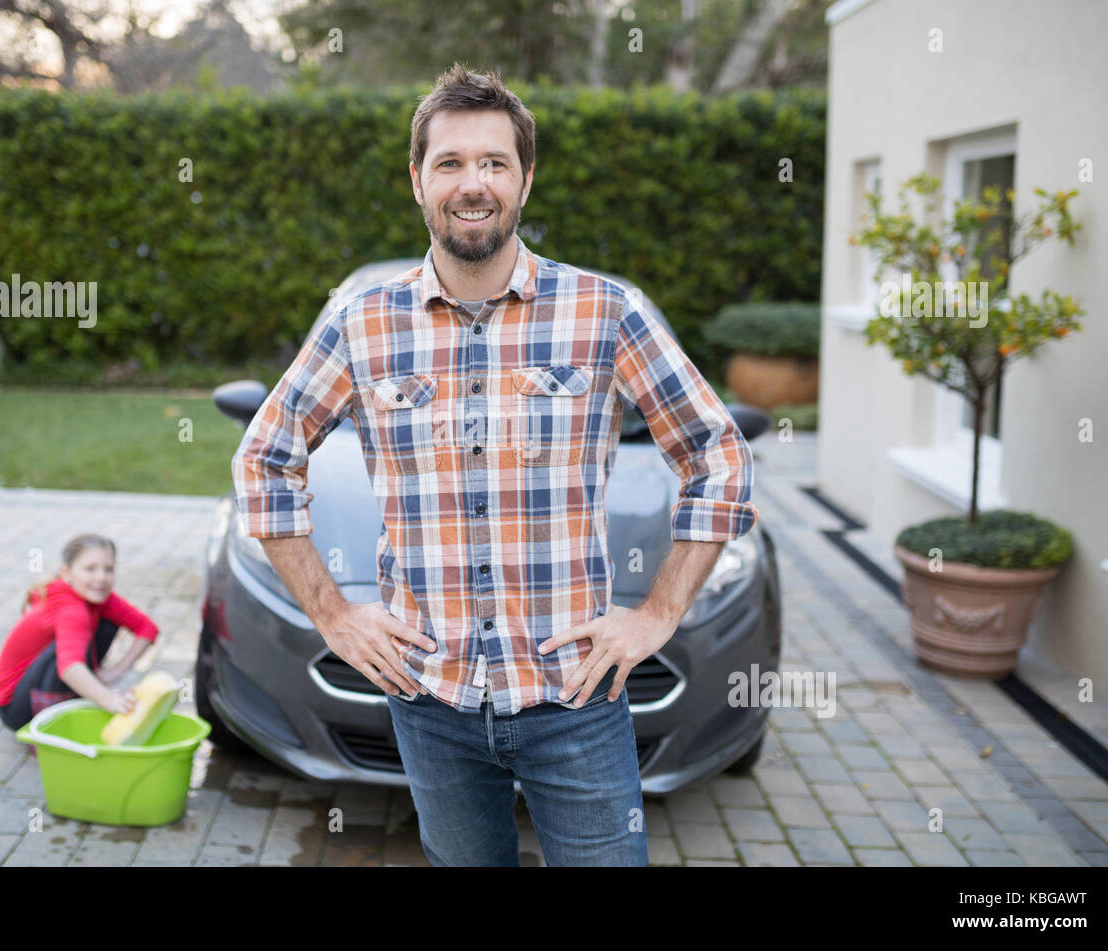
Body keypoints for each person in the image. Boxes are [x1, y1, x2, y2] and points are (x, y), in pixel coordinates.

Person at [230, 63, 760, 866]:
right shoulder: (361, 324)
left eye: (493, 163)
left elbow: (718, 454)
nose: (471, 183)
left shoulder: (605, 312)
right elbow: (264, 459)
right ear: (417, 181)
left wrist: (656, 615)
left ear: (525, 180)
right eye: (449, 163)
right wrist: (334, 616)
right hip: (428, 701)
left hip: (574, 700)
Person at [0, 533, 158, 732]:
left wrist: (116, 671)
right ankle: (51, 723)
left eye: (108, 569)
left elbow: (148, 629)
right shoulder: (70, 608)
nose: (101, 577)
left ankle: (75, 697)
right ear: (67, 574)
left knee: (106, 624)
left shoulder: (99, 596)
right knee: (70, 646)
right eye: (90, 569)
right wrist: (110, 701)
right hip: (16, 709)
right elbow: (69, 667)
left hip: (43, 681)